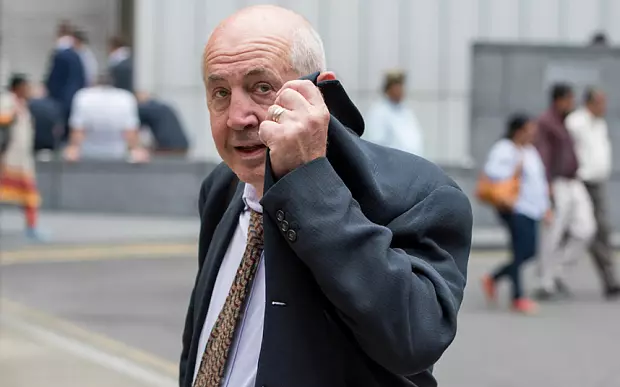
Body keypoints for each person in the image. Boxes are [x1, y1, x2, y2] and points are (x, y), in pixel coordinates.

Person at [180, 5, 472, 387]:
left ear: (320, 93)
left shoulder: (421, 194)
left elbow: (413, 342)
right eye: (220, 92)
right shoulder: (223, 187)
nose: (238, 116)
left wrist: (307, 182)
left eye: (261, 87)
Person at [480, 114, 550, 314]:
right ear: (518, 131)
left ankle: (493, 278)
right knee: (520, 251)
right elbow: (492, 173)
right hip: (514, 208)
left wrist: (545, 207)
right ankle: (518, 297)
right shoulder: (504, 149)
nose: (533, 134)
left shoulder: (530, 151)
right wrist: (514, 169)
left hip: (531, 208)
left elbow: (539, 181)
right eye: (529, 130)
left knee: (529, 251)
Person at [534, 83, 596, 300]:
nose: (572, 103)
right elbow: (543, 154)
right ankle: (546, 281)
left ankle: (557, 270)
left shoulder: (566, 121)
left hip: (574, 181)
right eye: (569, 99)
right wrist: (547, 184)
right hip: (557, 183)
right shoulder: (546, 122)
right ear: (559, 100)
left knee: (586, 229)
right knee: (553, 232)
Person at [565, 88, 620, 299]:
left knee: (595, 231)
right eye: (600, 102)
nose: (603, 107)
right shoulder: (576, 122)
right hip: (581, 182)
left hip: (597, 182)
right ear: (589, 102)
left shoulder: (600, 123)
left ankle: (609, 279)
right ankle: (553, 277)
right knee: (591, 230)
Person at [0, 75, 45, 241]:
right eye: (26, 87)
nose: (29, 91)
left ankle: (32, 227)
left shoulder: (22, 104)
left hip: (20, 159)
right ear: (17, 87)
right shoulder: (7, 101)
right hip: (8, 158)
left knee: (29, 194)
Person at [65, 73, 148, 162]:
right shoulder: (125, 98)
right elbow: (130, 132)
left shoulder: (83, 97)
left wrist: (73, 147)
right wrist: (135, 149)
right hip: (118, 153)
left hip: (87, 153)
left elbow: (78, 130)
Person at [364, 70, 425, 156]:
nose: (400, 91)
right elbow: (376, 144)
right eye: (396, 87)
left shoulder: (406, 112)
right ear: (388, 89)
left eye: (401, 87)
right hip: (391, 165)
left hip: (411, 164)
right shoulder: (379, 112)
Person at [45, 22, 86, 141]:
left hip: (62, 99)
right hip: (75, 96)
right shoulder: (77, 54)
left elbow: (54, 79)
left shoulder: (60, 54)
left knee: (61, 131)